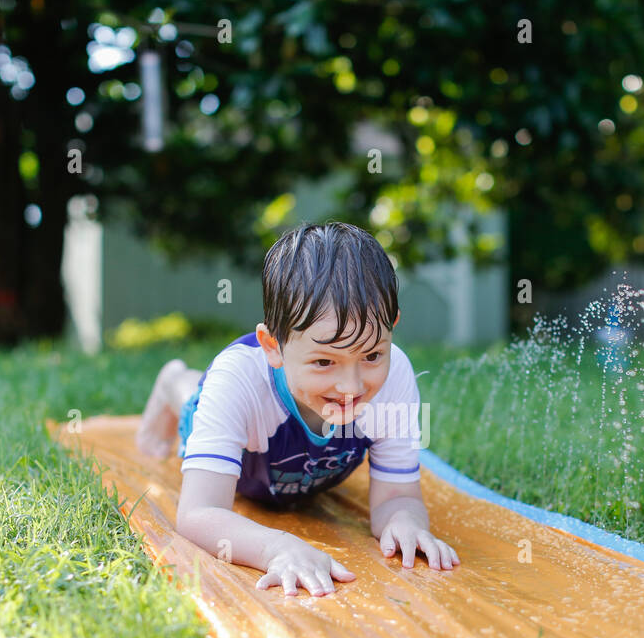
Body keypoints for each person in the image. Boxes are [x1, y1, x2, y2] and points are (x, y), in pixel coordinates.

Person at [135, 221, 461, 597]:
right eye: (324, 362)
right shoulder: (237, 381)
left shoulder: (395, 376)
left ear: (392, 327)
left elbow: (397, 496)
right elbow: (198, 514)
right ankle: (172, 379)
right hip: (243, 443)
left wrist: (405, 521)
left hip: (294, 469)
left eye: (372, 354)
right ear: (272, 346)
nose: (351, 387)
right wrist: (278, 548)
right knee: (194, 398)